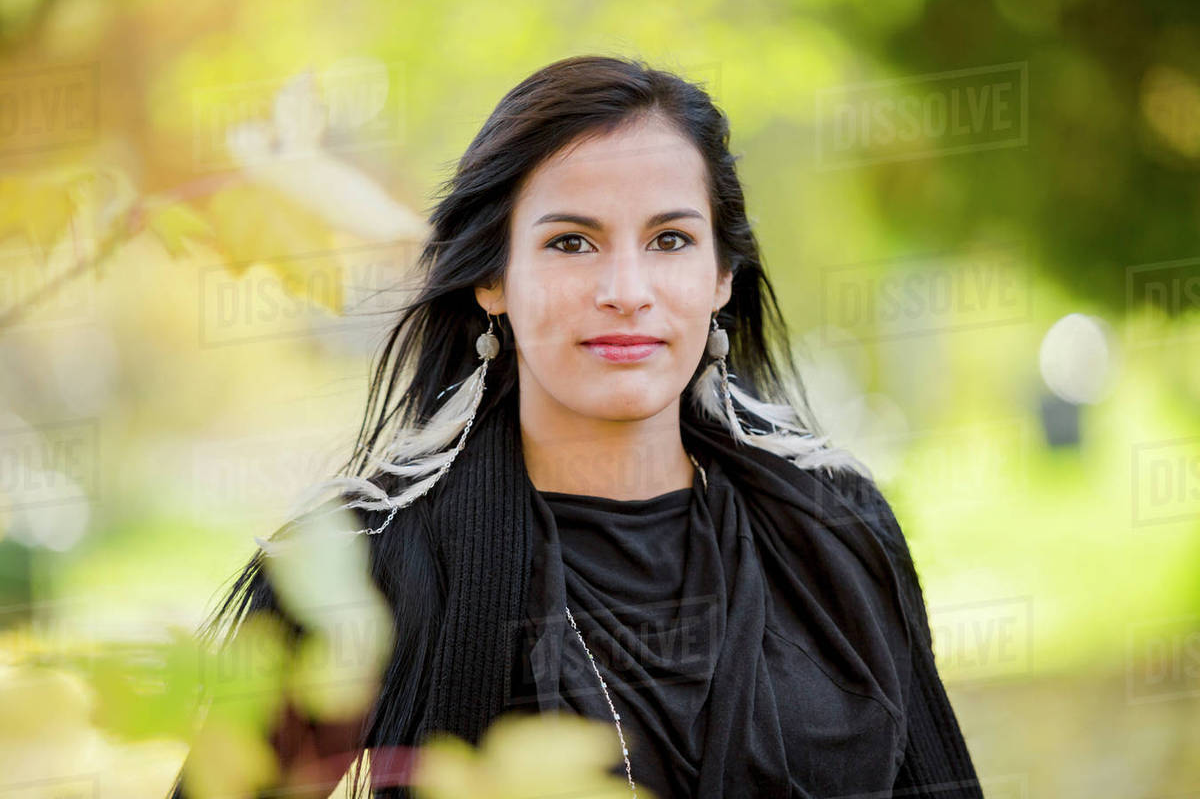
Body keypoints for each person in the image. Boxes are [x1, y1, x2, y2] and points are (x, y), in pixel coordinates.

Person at [168, 54, 984, 799]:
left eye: (670, 239)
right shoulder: (360, 564)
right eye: (571, 242)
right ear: (492, 276)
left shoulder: (835, 531)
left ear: (722, 275)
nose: (627, 289)